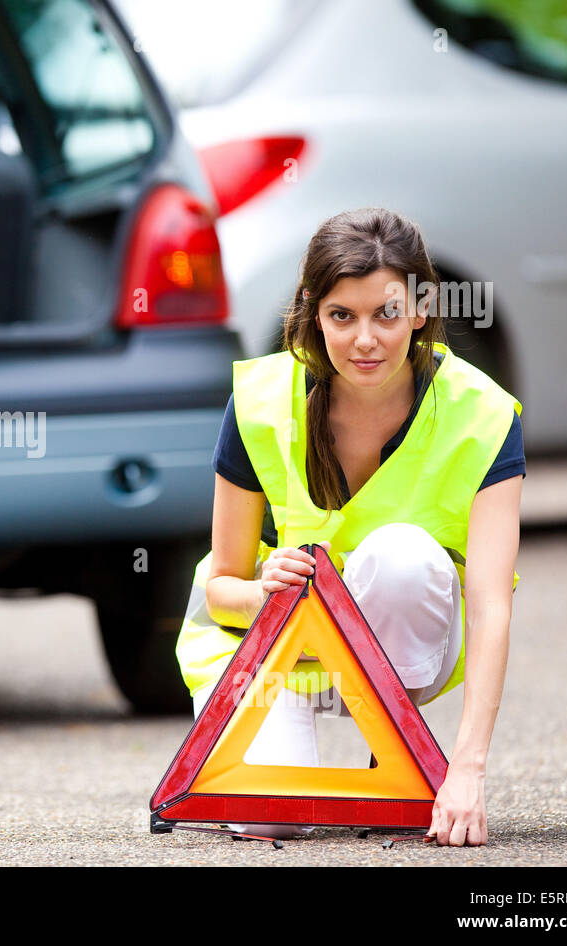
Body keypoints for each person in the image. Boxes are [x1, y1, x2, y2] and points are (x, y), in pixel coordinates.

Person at [174, 208, 524, 847]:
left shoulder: (484, 414)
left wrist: (467, 771)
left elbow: (492, 604)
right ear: (313, 313)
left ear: (420, 310)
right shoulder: (259, 403)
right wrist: (263, 590)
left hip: (397, 656)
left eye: (386, 314)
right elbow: (221, 584)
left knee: (405, 555)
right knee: (267, 816)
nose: (366, 339)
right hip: (276, 649)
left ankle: (389, 755)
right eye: (343, 316)